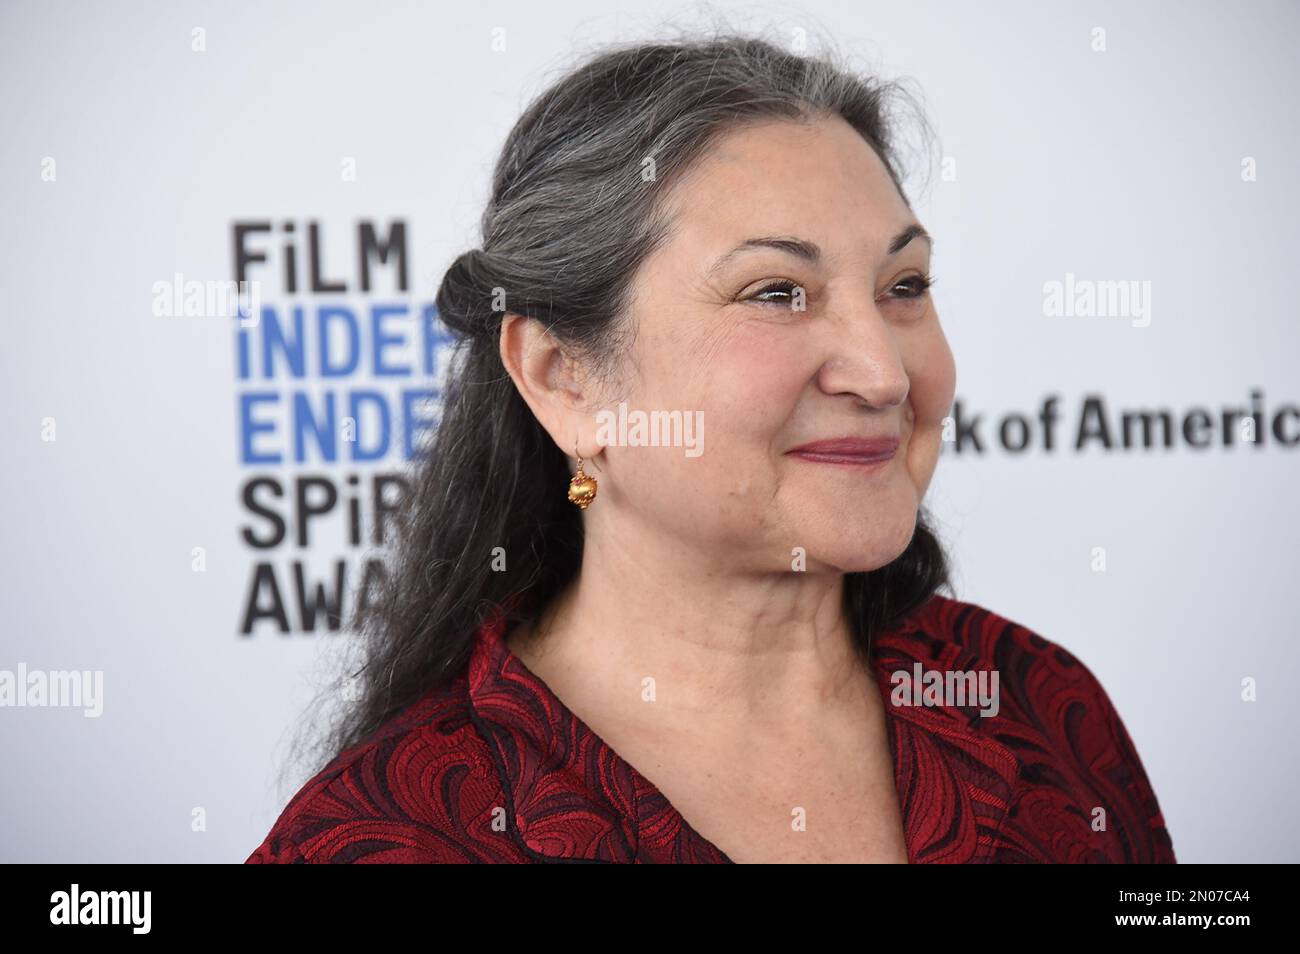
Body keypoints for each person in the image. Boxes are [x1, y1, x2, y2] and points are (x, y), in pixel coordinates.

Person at [246, 32, 1175, 864]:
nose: (885, 374)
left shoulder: (1036, 706)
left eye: (905, 284)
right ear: (565, 377)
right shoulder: (398, 835)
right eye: (777, 292)